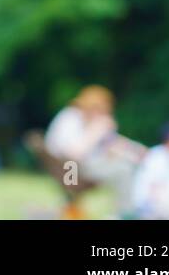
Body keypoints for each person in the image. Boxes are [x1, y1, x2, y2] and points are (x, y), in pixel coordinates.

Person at [44, 85, 145, 217]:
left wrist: (134, 149)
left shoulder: (83, 120)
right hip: (70, 170)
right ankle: (126, 215)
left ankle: (126, 212)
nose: (106, 114)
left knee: (125, 162)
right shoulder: (71, 118)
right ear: (94, 107)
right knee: (124, 169)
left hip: (73, 169)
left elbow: (112, 143)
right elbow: (73, 153)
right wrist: (97, 130)